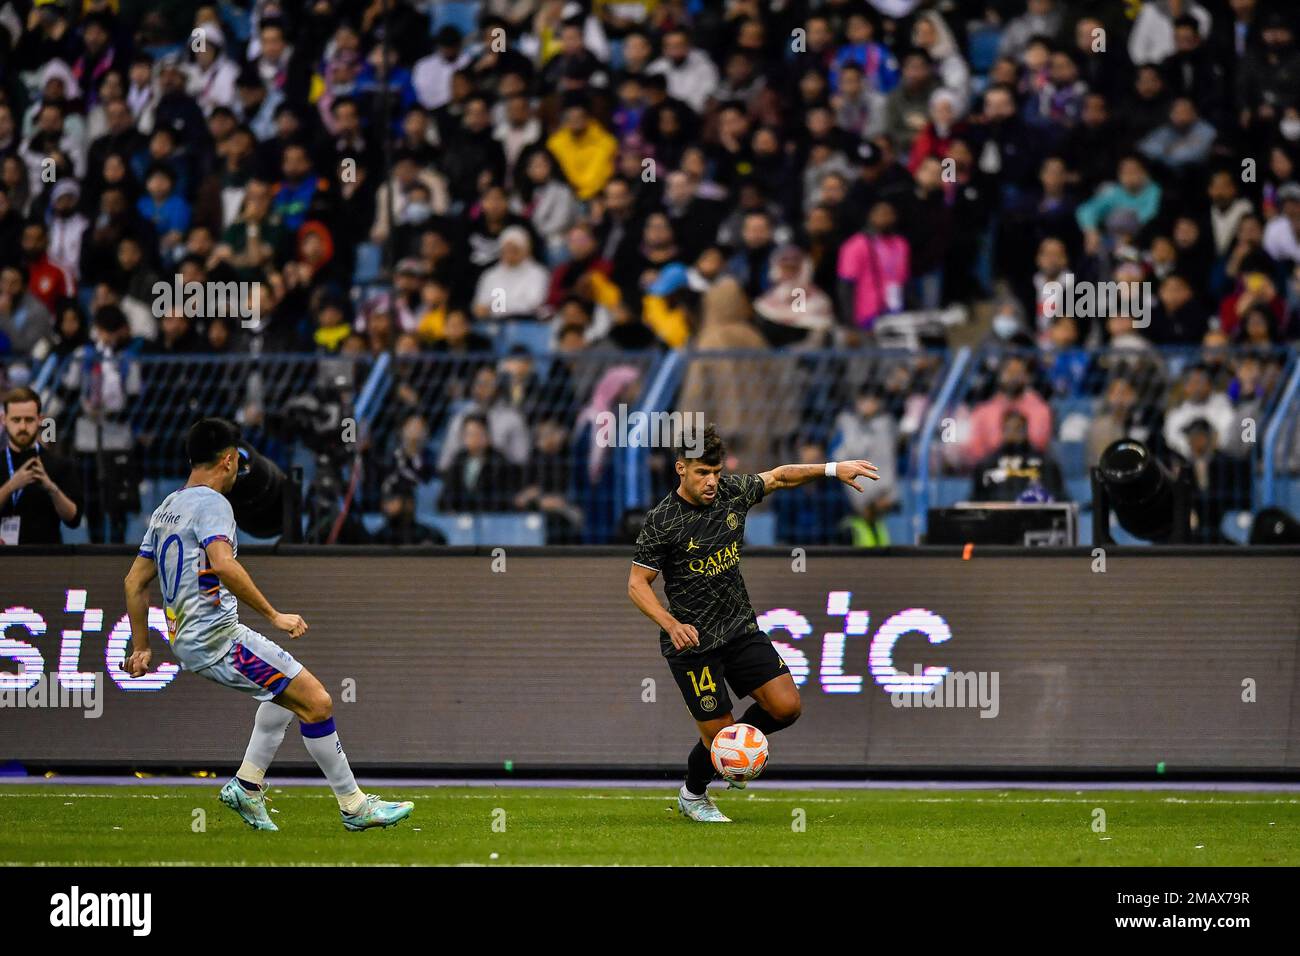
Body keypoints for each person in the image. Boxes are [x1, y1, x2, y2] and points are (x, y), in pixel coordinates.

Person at [122, 418, 414, 832]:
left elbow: (134, 580)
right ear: (227, 460)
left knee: (282, 697)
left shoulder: (168, 506)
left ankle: (247, 785)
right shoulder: (213, 504)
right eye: (237, 463)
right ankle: (354, 806)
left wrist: (143, 648)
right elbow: (224, 564)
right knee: (317, 701)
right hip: (219, 639)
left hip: (192, 638)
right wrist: (275, 615)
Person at [627, 424, 878, 822]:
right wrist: (671, 623)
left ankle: (730, 748)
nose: (711, 482)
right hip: (693, 645)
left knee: (786, 707)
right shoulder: (663, 520)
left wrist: (832, 469)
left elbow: (779, 476)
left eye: (716, 472)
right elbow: (637, 584)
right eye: (701, 473)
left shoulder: (732, 493)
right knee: (719, 736)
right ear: (680, 469)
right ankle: (694, 794)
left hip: (740, 630)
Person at [0, 387, 81, 544]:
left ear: (40, 419)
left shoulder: (60, 465)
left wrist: (52, 488)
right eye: (16, 420)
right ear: (4, 420)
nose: (23, 427)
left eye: (29, 420)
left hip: (45, 560)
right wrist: (10, 486)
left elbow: (74, 519)